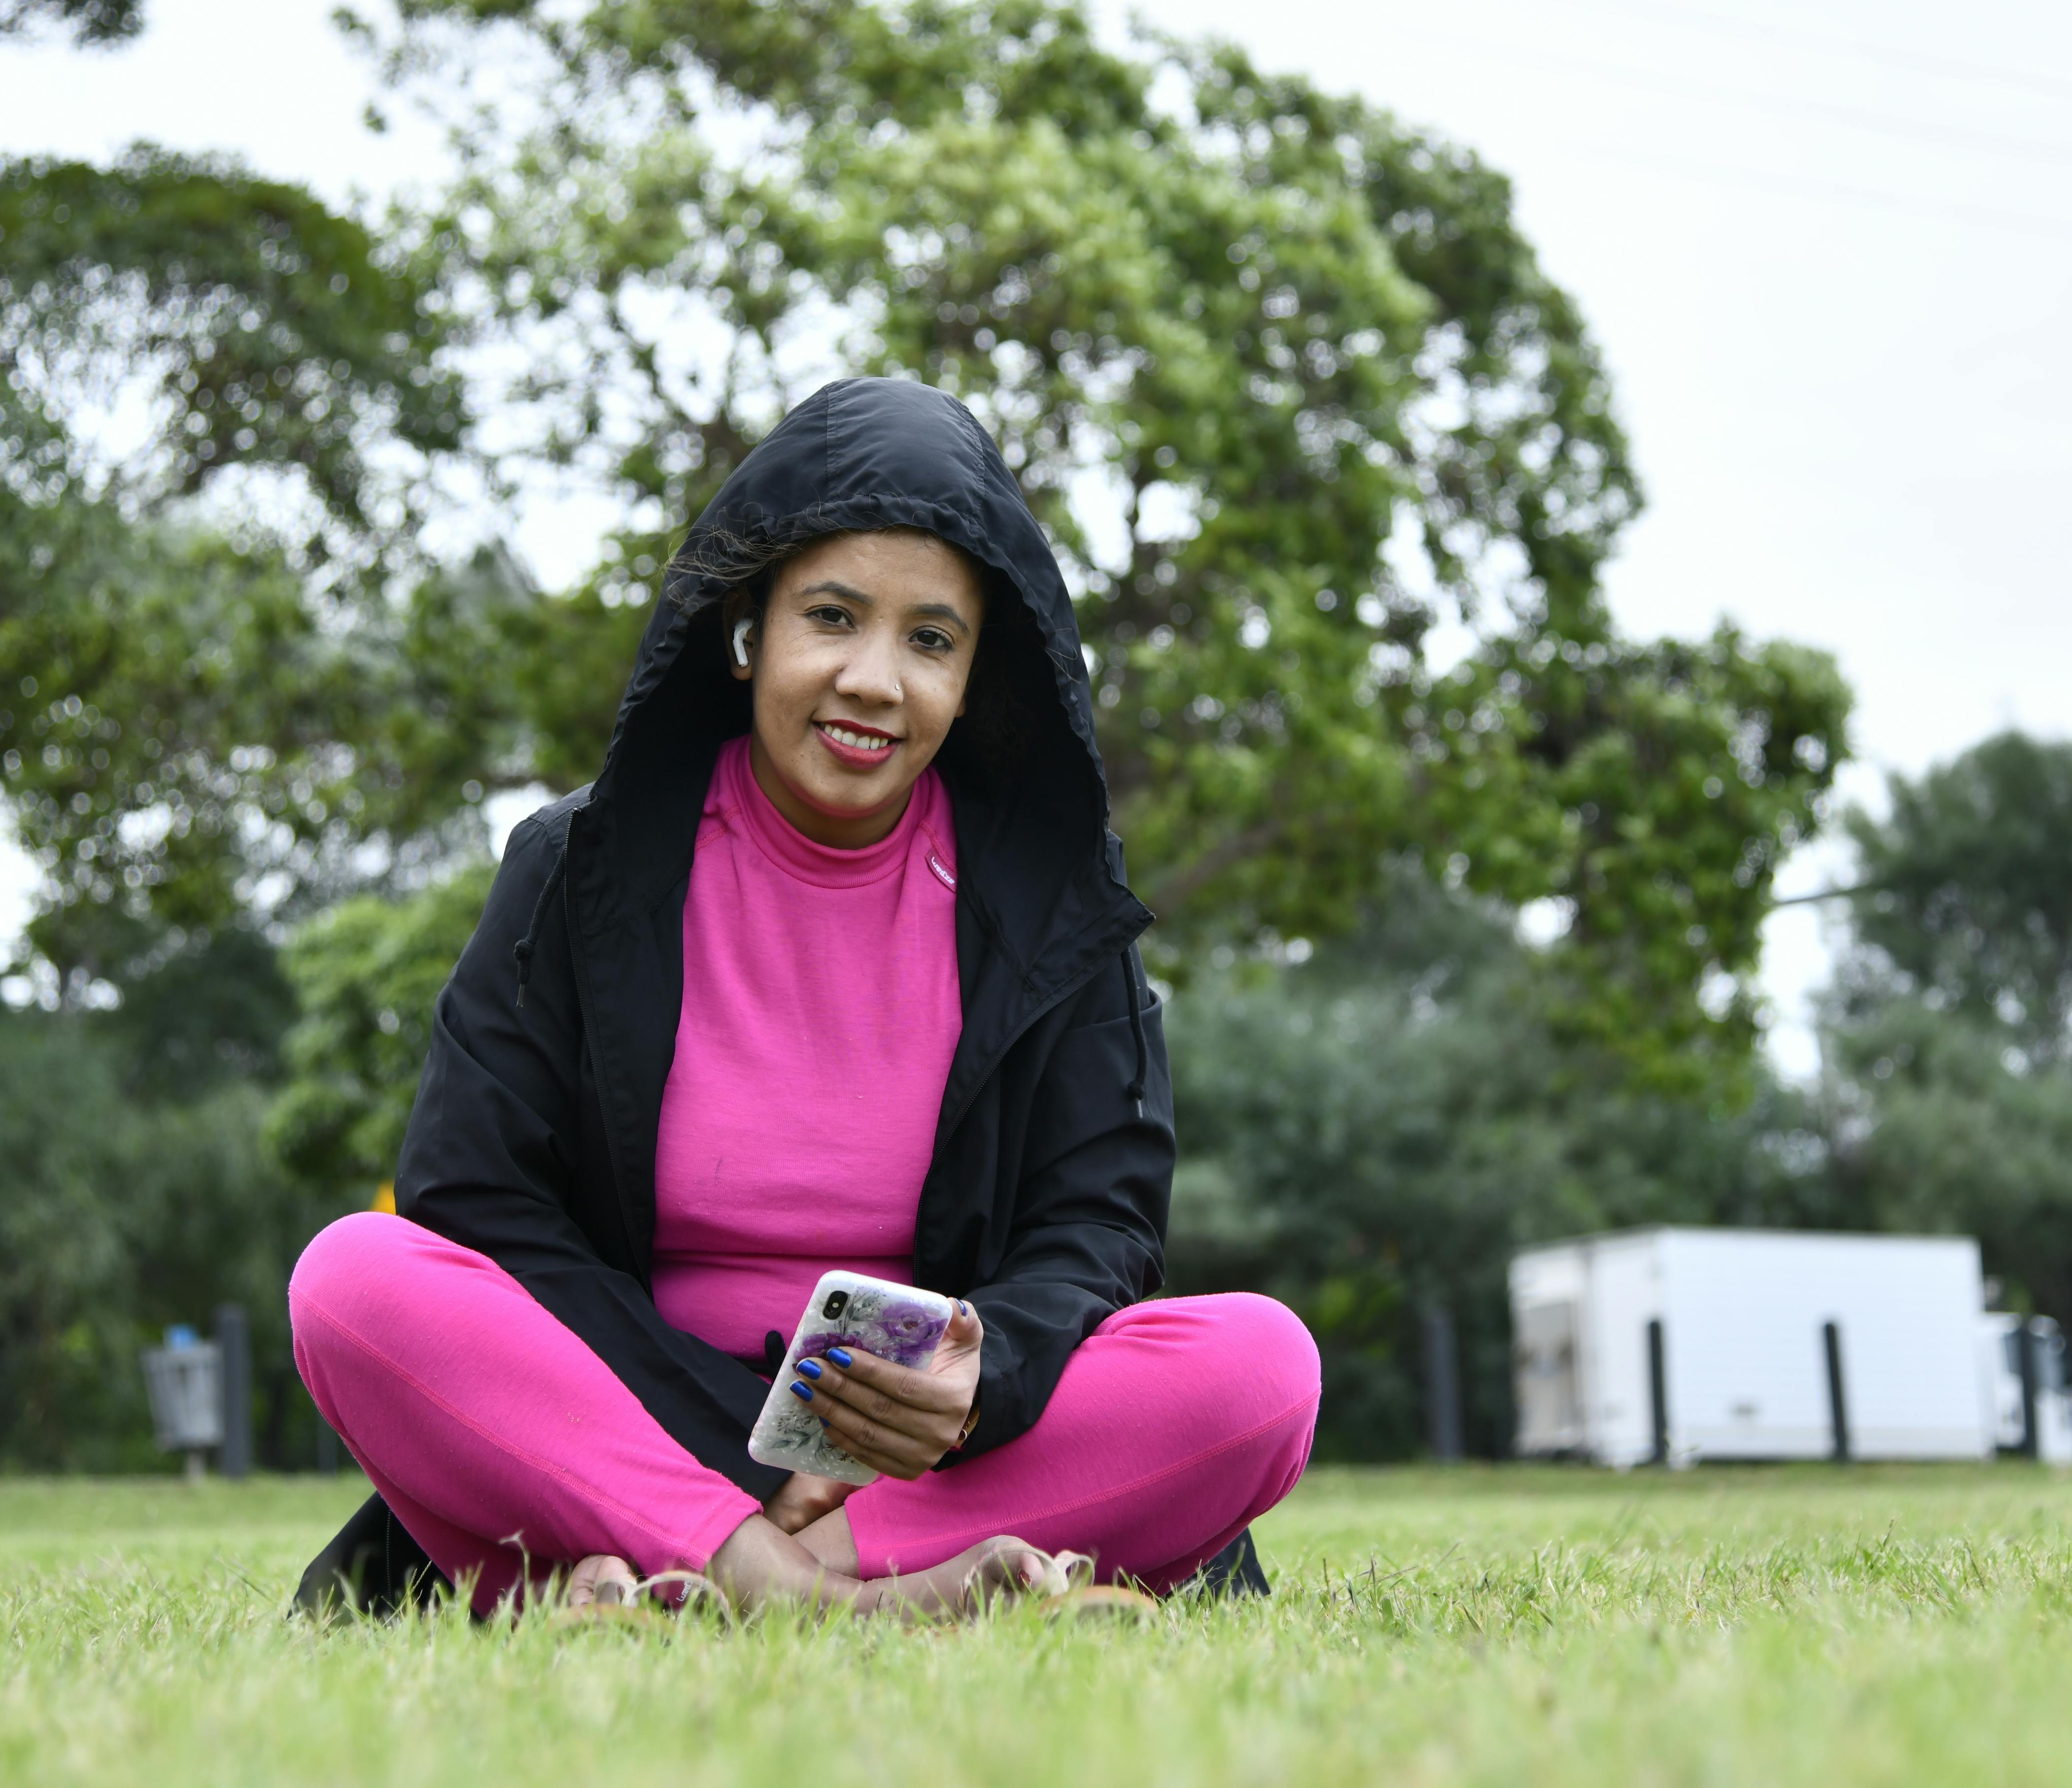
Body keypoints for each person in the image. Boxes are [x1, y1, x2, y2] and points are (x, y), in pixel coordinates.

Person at [288, 377, 1321, 1619]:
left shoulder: (1051, 911)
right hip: (632, 1418)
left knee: (1261, 1367)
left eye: (931, 640)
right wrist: (730, 1451)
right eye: (832, 617)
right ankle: (831, 1591)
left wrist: (986, 1367)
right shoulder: (581, 869)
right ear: (751, 627)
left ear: (975, 670)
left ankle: (688, 1586)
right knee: (353, 1280)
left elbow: (1100, 1230)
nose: (875, 681)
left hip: (916, 1464)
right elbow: (478, 1196)